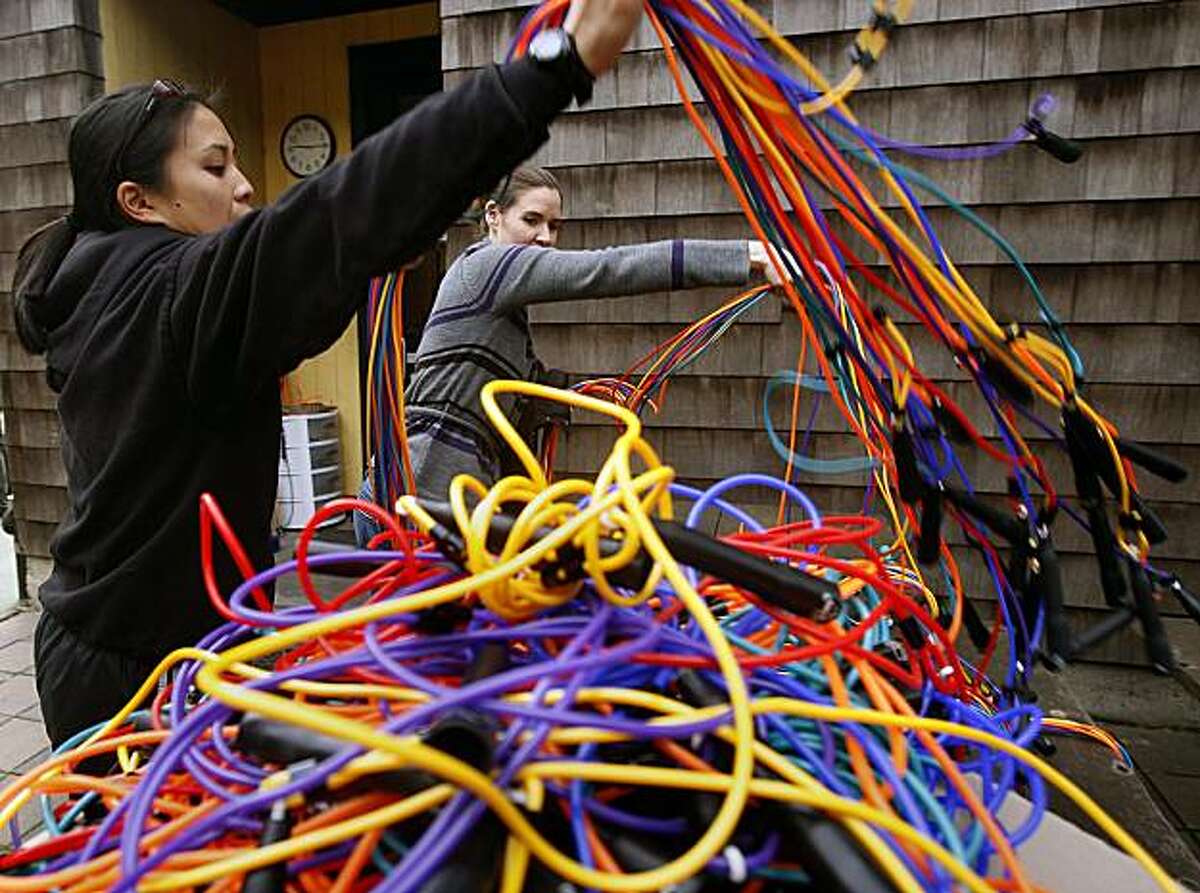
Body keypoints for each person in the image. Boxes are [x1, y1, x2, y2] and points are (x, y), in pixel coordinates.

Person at [10, 0, 643, 749]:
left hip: (111, 643)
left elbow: (307, 255)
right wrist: (552, 68)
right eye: (215, 167)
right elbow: (332, 218)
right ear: (138, 200)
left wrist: (362, 256)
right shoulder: (173, 291)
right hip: (147, 680)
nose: (244, 186)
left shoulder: (102, 282)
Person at [354, 165, 785, 544]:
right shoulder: (487, 265)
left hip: (456, 494)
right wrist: (746, 255)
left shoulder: (502, 305)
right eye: (531, 220)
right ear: (492, 216)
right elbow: (608, 268)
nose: (545, 236)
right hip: (419, 491)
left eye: (554, 226)